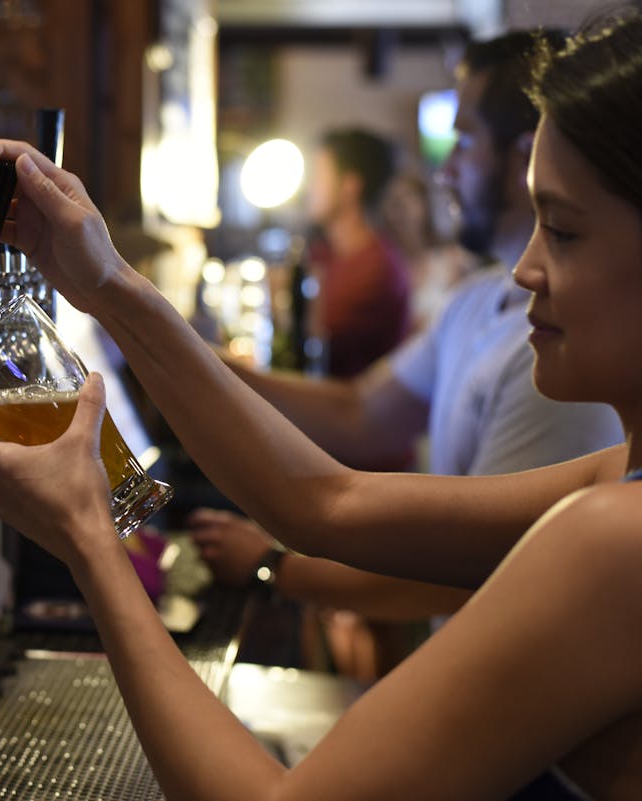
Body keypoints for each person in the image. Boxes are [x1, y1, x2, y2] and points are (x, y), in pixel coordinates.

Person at [0, 7, 642, 798]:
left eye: (565, 231)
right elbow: (323, 501)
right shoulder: (612, 484)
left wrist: (88, 538)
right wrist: (110, 287)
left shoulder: (614, 541)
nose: (524, 269)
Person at [189, 30, 623, 678]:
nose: (444, 168)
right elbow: (360, 410)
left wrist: (272, 564)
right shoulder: (478, 299)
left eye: (466, 138)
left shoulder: (560, 362)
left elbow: (472, 573)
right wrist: (200, 363)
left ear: (524, 153)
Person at [302, 127, 412, 379]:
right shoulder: (324, 252)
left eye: (318, 175)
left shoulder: (377, 269)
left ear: (350, 185)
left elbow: (312, 335)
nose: (309, 188)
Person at [378, 170, 475, 330]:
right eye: (393, 200)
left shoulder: (453, 260)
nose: (400, 208)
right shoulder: (384, 271)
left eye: (408, 197)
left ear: (425, 203)